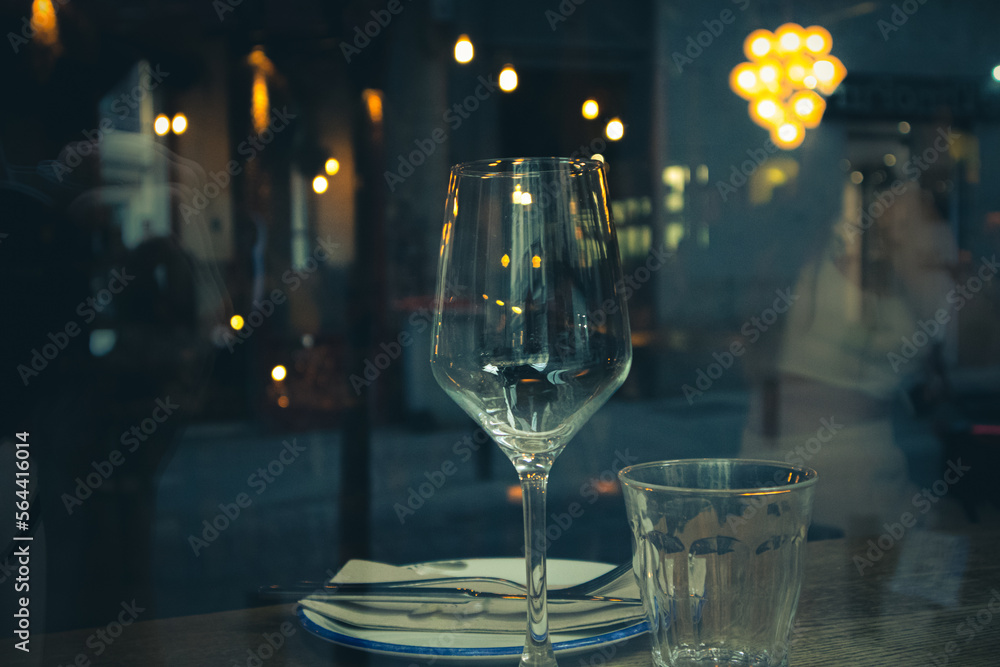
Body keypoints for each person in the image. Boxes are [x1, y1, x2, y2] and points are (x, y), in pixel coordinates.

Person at [740, 174, 957, 537]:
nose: (894, 215)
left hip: (856, 465)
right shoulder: (811, 255)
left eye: (914, 217)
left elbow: (948, 337)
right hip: (771, 452)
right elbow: (755, 347)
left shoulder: (917, 283)